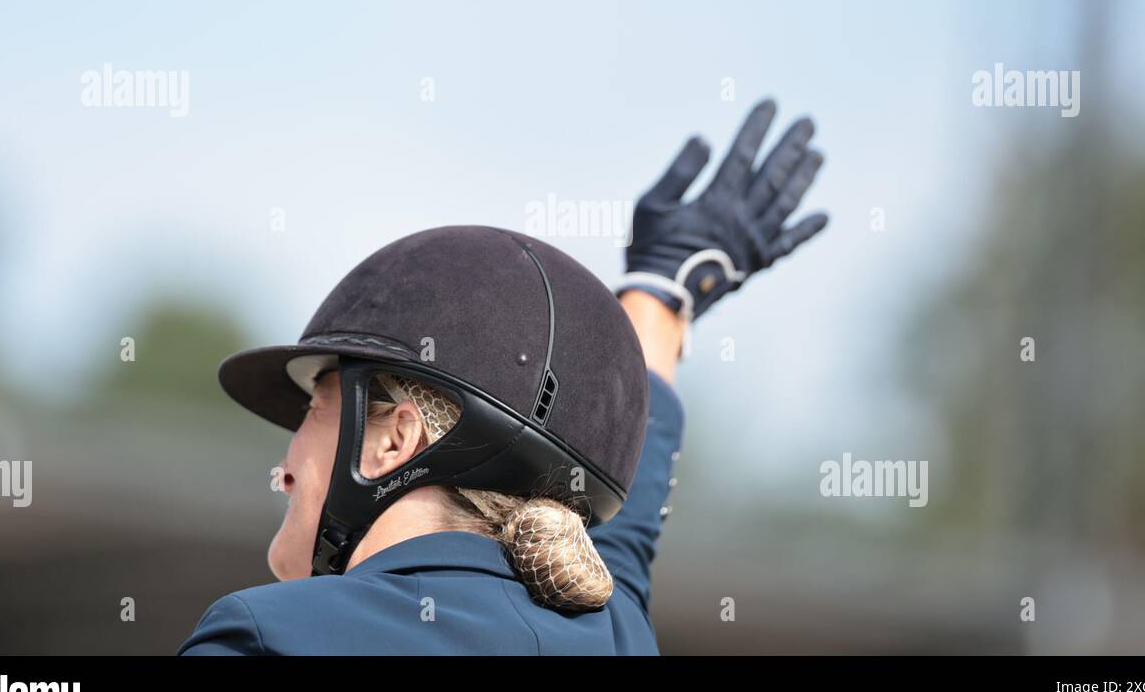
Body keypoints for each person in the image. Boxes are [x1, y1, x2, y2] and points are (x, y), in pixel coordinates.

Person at [178, 99, 826, 655]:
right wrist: (659, 295)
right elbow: (621, 538)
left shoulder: (273, 635)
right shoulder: (614, 632)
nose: (285, 467)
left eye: (313, 413)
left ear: (394, 441)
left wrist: (658, 297)